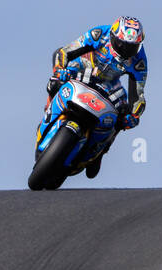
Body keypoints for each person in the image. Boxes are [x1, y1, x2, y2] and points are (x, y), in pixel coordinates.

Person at [45, 16, 149, 179]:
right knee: (54, 82)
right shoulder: (99, 33)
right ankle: (48, 113)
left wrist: (133, 116)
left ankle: (102, 149)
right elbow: (65, 51)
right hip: (82, 68)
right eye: (121, 44)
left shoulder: (139, 60)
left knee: (122, 113)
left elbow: (139, 96)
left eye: (131, 47)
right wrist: (59, 70)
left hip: (109, 83)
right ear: (113, 36)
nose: (124, 50)